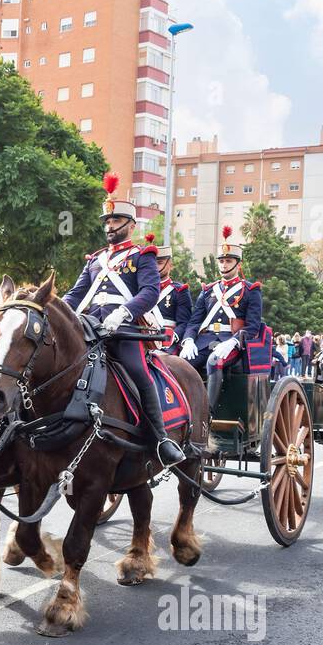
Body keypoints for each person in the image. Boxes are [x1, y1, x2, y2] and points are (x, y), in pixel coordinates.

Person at [63, 174, 185, 466]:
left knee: (137, 372)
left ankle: (161, 439)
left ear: (131, 225)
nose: (109, 226)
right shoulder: (94, 261)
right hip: (90, 329)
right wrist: (59, 313)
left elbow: (150, 292)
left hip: (124, 331)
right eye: (106, 221)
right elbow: (75, 295)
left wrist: (124, 312)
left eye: (116, 221)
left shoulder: (142, 256)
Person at [180, 225, 264, 412]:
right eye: (221, 261)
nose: (224, 265)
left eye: (228, 261)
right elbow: (194, 321)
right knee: (180, 364)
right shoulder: (208, 290)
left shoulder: (251, 291)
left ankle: (207, 413)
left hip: (231, 343)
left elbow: (253, 327)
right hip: (205, 340)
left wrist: (234, 341)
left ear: (238, 264)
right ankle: (182, 410)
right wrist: (188, 341)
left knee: (214, 361)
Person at [144, 241, 192, 354]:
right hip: (143, 338)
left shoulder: (180, 291)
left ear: (170, 264)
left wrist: (173, 336)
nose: (155, 267)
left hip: (167, 341)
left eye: (159, 263)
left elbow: (184, 323)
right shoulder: (141, 290)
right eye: (152, 263)